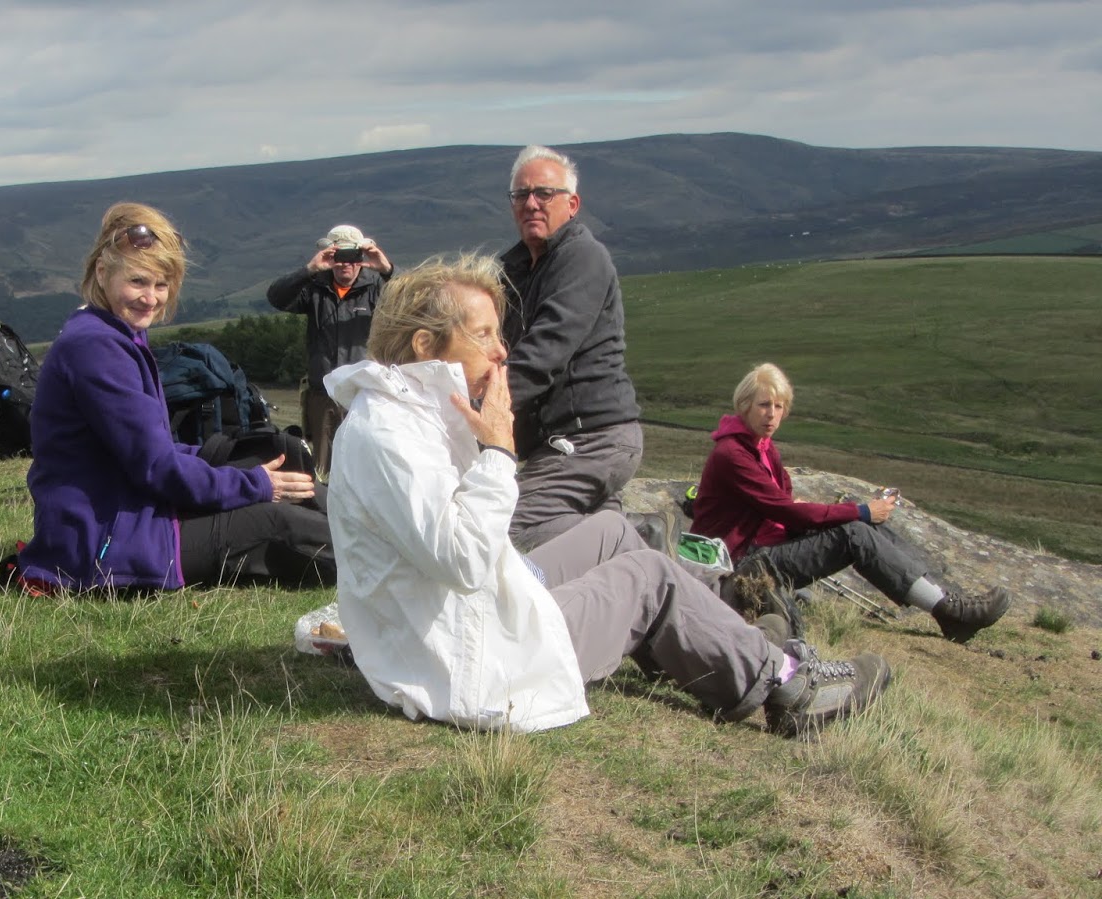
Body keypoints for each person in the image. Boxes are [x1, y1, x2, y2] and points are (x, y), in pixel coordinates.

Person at [322, 255, 890, 737]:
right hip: (472, 662)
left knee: (612, 531)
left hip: (462, 619)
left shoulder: (410, 416)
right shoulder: (390, 436)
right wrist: (497, 451)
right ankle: (787, 687)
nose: (502, 352)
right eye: (485, 334)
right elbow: (464, 559)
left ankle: (726, 632)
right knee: (650, 576)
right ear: (426, 345)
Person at [11, 203, 334, 593]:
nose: (150, 298)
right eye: (138, 281)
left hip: (129, 512)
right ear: (102, 272)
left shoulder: (115, 332)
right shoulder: (96, 348)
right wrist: (255, 486)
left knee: (276, 471)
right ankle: (384, 551)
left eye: (161, 285)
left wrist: (230, 461)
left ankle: (380, 528)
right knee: (278, 522)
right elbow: (156, 468)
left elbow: (149, 449)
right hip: (106, 542)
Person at [690, 363, 1012, 643]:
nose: (772, 414)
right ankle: (950, 613)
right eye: (763, 405)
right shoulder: (733, 454)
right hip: (740, 565)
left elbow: (782, 502)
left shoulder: (763, 447)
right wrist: (860, 511)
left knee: (860, 523)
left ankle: (945, 604)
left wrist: (852, 514)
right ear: (744, 405)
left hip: (765, 547)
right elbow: (784, 510)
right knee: (854, 531)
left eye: (779, 406)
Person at [500, 145, 643, 551]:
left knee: (503, 530)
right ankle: (675, 569)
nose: (531, 203)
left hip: (589, 437)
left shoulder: (582, 258)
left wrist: (480, 408)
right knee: (593, 558)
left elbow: (544, 351)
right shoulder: (515, 270)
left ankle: (635, 540)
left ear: (572, 204)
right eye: (521, 195)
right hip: (578, 439)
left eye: (544, 193)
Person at [266, 225, 394, 478]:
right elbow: (276, 298)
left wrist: (387, 270)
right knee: (323, 469)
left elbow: (416, 300)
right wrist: (310, 269)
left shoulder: (377, 287)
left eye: (353, 256)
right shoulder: (315, 288)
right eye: (338, 256)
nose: (345, 263)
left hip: (365, 395)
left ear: (362, 256)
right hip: (322, 395)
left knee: (367, 466)